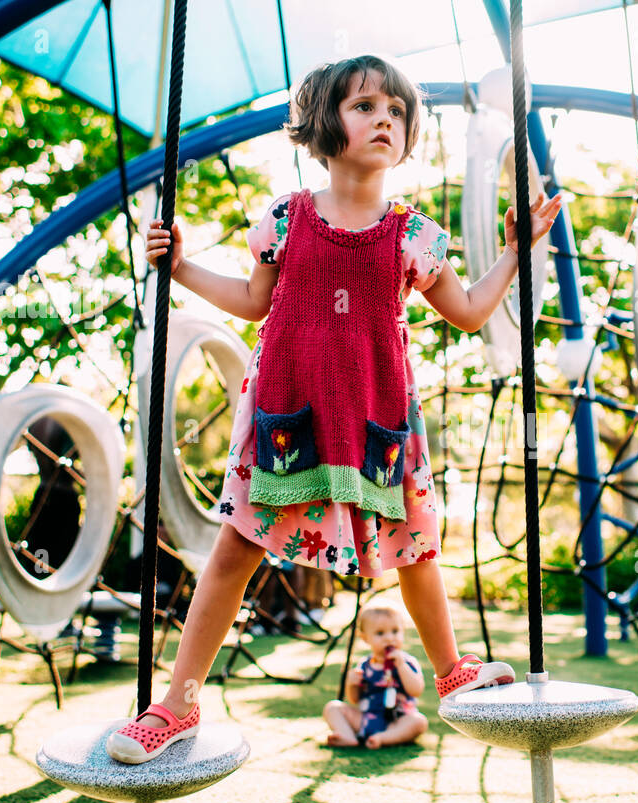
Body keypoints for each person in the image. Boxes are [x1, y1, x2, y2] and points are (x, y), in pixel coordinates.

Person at [106, 54, 562, 764]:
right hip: (289, 417)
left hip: (377, 421)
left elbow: (469, 312)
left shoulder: (413, 235)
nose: (386, 119)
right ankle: (177, 704)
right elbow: (254, 302)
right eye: (366, 106)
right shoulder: (287, 218)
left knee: (416, 548)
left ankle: (451, 672)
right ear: (325, 124)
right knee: (233, 552)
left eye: (397, 112)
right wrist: (181, 268)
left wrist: (515, 252)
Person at [324, 604, 426, 748]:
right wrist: (351, 684)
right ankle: (347, 736)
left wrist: (401, 666)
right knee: (333, 707)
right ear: (365, 638)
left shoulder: (407, 662)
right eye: (380, 633)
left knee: (419, 721)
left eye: (395, 631)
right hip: (366, 719)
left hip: (397, 722)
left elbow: (416, 690)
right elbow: (354, 699)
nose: (389, 638)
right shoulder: (365, 665)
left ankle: (383, 738)